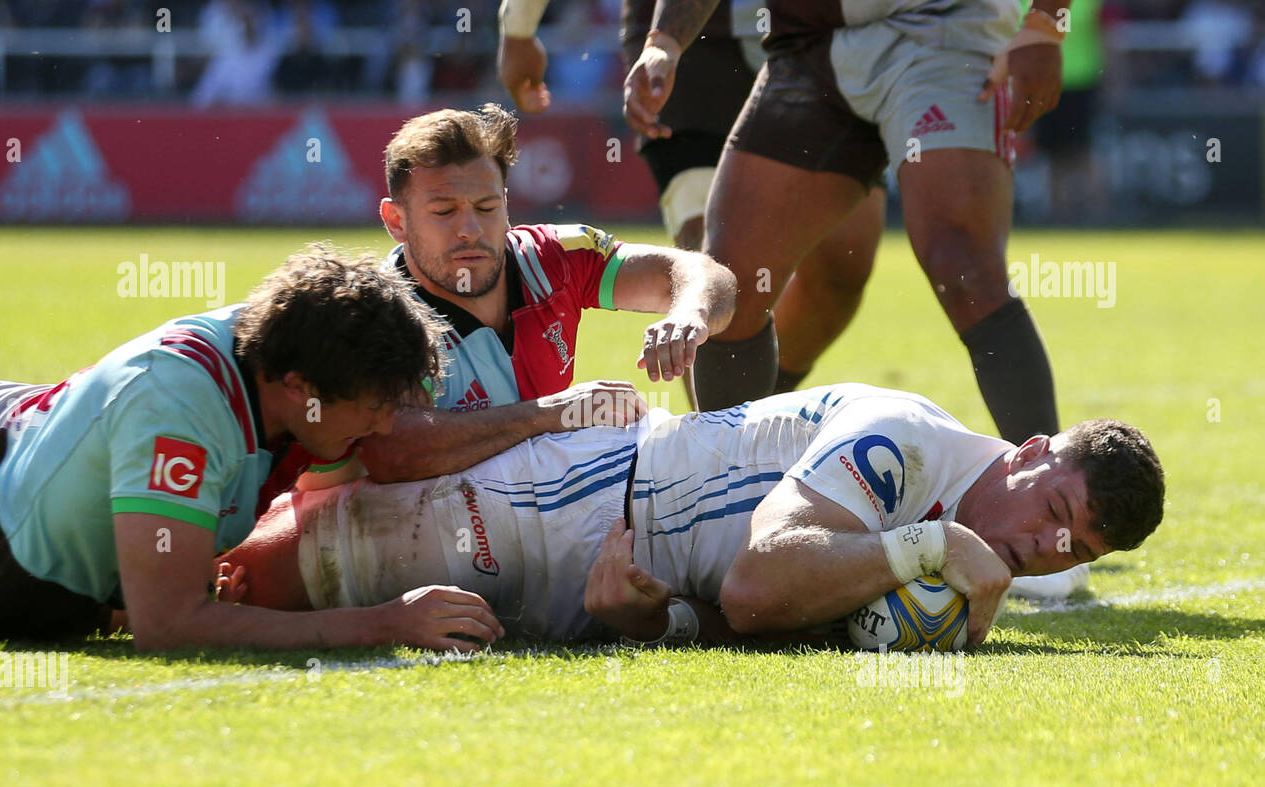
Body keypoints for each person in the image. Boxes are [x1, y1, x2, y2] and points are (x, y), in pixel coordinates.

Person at [216, 383, 1163, 650]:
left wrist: (656, 618)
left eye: (1072, 549)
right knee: (277, 573)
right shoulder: (904, 443)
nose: (1046, 545)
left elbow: (736, 614)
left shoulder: (959, 569)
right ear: (1032, 449)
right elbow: (759, 583)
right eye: (1056, 510)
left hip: (608, 577)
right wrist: (928, 542)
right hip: (568, 497)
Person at [0, 244, 499, 652]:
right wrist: (383, 622)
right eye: (373, 407)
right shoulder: (180, 409)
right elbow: (168, 627)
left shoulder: (300, 341)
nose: (385, 427)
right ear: (298, 388)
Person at [624, 0, 1070, 447]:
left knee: (965, 268)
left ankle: (1053, 490)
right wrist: (664, 41)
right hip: (809, 43)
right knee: (732, 286)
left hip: (943, 28)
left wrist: (1045, 24)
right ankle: (722, 492)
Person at [497, 0, 887, 398]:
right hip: (690, 44)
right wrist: (518, 27)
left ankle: (757, 405)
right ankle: (729, 433)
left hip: (809, 32)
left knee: (841, 271)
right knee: (714, 266)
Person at [350, 103, 737, 484]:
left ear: (505, 204)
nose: (470, 229)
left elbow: (705, 274)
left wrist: (690, 313)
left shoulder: (553, 256)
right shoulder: (376, 313)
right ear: (396, 221)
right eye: (444, 211)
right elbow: (394, 453)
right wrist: (552, 415)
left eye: (486, 207)